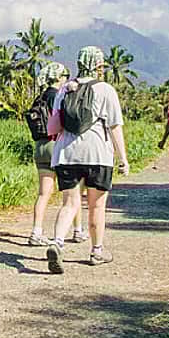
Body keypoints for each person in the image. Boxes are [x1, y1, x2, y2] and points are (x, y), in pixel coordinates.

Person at [45, 46, 130, 274]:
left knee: (69, 203)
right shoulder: (106, 89)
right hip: (98, 154)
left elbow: (55, 123)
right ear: (99, 65)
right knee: (97, 205)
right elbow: (114, 127)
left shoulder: (64, 89)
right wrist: (123, 159)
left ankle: (57, 242)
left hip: (66, 153)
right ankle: (96, 251)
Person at [28, 61, 87, 246]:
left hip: (40, 146)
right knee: (72, 192)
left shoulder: (40, 97)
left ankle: (36, 232)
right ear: (59, 77)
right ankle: (77, 230)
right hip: (56, 145)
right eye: (65, 75)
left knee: (43, 193)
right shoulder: (58, 96)